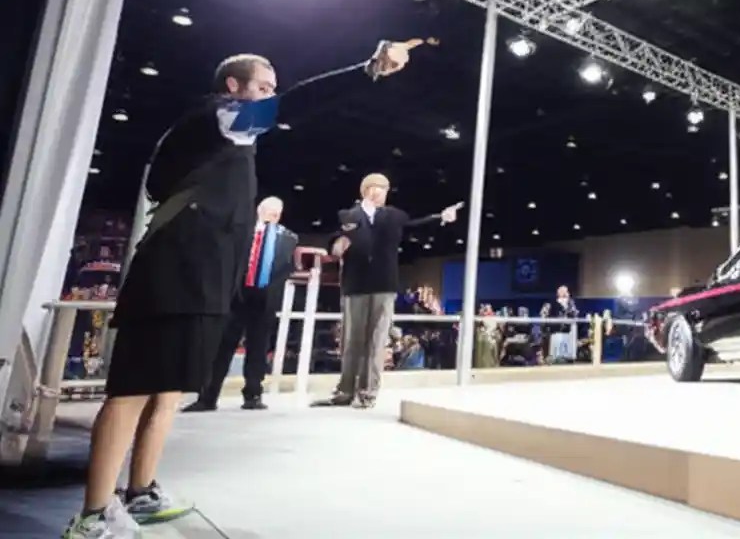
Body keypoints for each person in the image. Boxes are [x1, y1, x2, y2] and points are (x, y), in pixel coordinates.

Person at [63, 39, 425, 539]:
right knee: (132, 391)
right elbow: (295, 105)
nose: (270, 96)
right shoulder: (218, 116)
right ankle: (93, 514)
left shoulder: (233, 143)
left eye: (272, 88)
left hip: (206, 275)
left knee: (167, 391)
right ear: (233, 88)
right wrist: (366, 69)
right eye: (263, 87)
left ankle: (140, 491)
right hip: (173, 271)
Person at [313, 173, 460, 409]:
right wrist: (337, 246)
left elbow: (416, 225)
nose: (382, 192)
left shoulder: (393, 216)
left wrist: (441, 217)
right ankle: (345, 390)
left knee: (377, 341)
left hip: (384, 285)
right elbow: (333, 241)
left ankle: (368, 393)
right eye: (378, 188)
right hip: (355, 285)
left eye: (385, 188)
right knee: (352, 340)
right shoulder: (347, 215)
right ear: (367, 190)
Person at [182, 196, 297, 413]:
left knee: (258, 348)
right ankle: (208, 396)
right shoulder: (242, 233)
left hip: (264, 300)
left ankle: (253, 394)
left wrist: (272, 294)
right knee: (222, 346)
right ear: (259, 210)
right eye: (270, 211)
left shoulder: (288, 238)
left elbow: (285, 269)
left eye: (278, 212)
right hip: (237, 296)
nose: (274, 215)